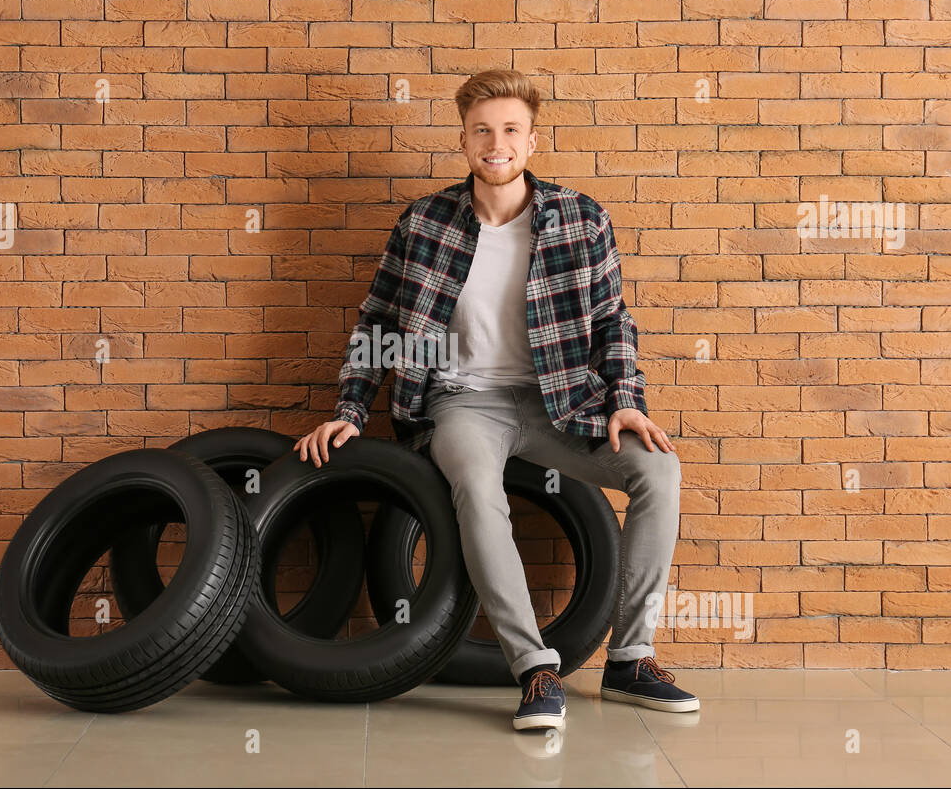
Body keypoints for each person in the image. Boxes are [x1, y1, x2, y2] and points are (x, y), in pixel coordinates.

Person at [293, 69, 699, 731]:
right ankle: (536, 670)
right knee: (477, 487)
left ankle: (630, 658)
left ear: (532, 141)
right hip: (461, 402)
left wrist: (626, 399)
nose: (496, 142)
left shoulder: (581, 218)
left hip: (560, 402)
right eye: (482, 130)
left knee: (658, 469)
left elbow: (612, 321)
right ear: (464, 140)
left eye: (510, 129)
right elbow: (379, 323)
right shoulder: (425, 222)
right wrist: (348, 409)